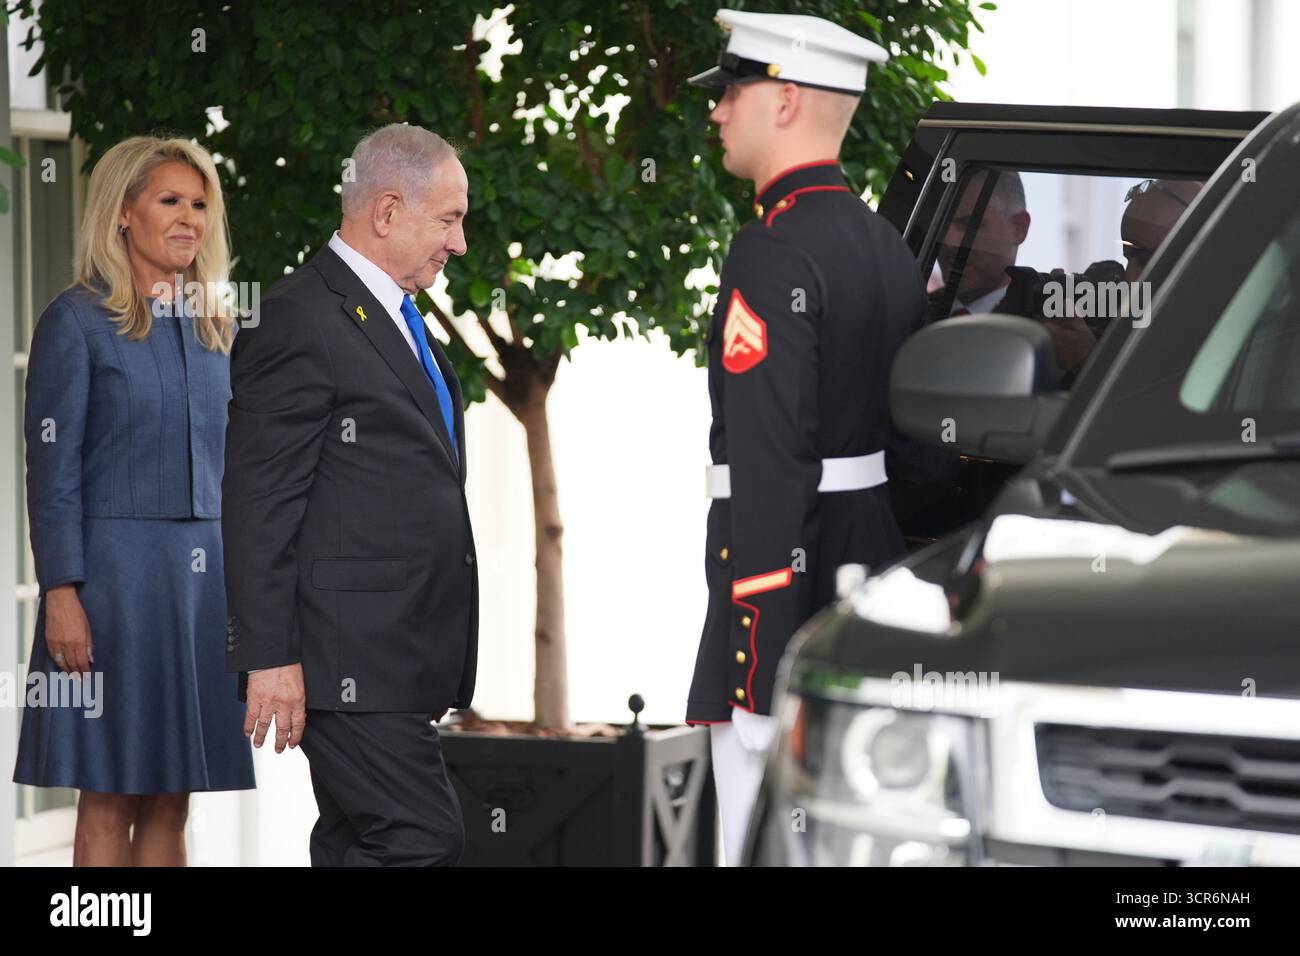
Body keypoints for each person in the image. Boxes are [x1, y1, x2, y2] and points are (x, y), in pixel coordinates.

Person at [685, 9, 928, 865]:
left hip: (780, 596)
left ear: (783, 100)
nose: (717, 111)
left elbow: (770, 459)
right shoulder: (887, 248)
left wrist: (756, 654)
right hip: (862, 575)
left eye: (732, 92)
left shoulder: (771, 252)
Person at [222, 123, 476, 866]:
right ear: (387, 212)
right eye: (449, 219)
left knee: (357, 843)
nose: (458, 243)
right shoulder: (299, 317)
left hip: (400, 652)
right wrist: (268, 657)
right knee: (421, 839)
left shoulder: (397, 313)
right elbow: (259, 498)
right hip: (346, 661)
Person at [13, 136, 253, 865]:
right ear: (123, 214)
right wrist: (61, 591)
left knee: (174, 794)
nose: (190, 219)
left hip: (204, 590)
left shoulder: (219, 328)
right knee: (108, 790)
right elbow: (50, 473)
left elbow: (240, 470)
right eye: (170, 201)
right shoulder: (76, 321)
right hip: (110, 587)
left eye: (201, 204)